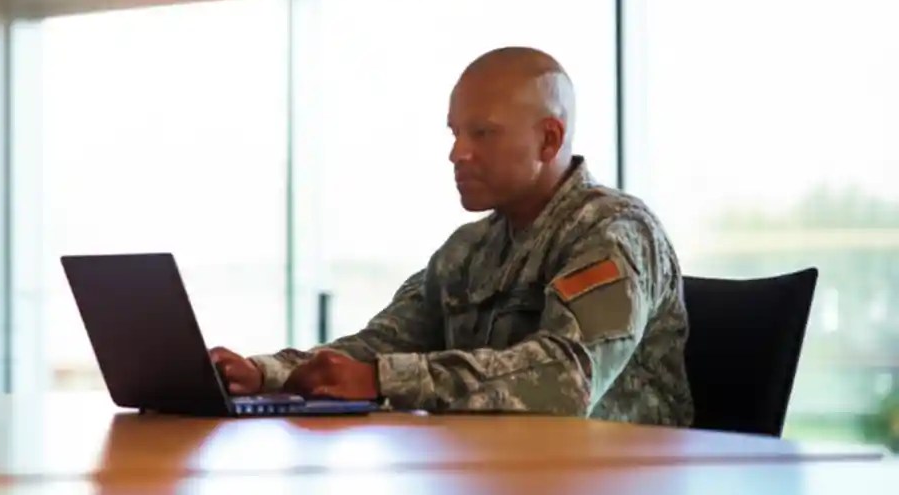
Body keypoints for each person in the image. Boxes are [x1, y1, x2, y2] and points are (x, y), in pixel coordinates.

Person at [210, 47, 693, 425]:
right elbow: (380, 346)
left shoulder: (614, 232)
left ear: (549, 138)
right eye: (456, 133)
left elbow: (565, 378)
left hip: (618, 492)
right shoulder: (469, 249)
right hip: (504, 480)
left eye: (482, 133)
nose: (458, 153)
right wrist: (263, 374)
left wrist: (382, 381)